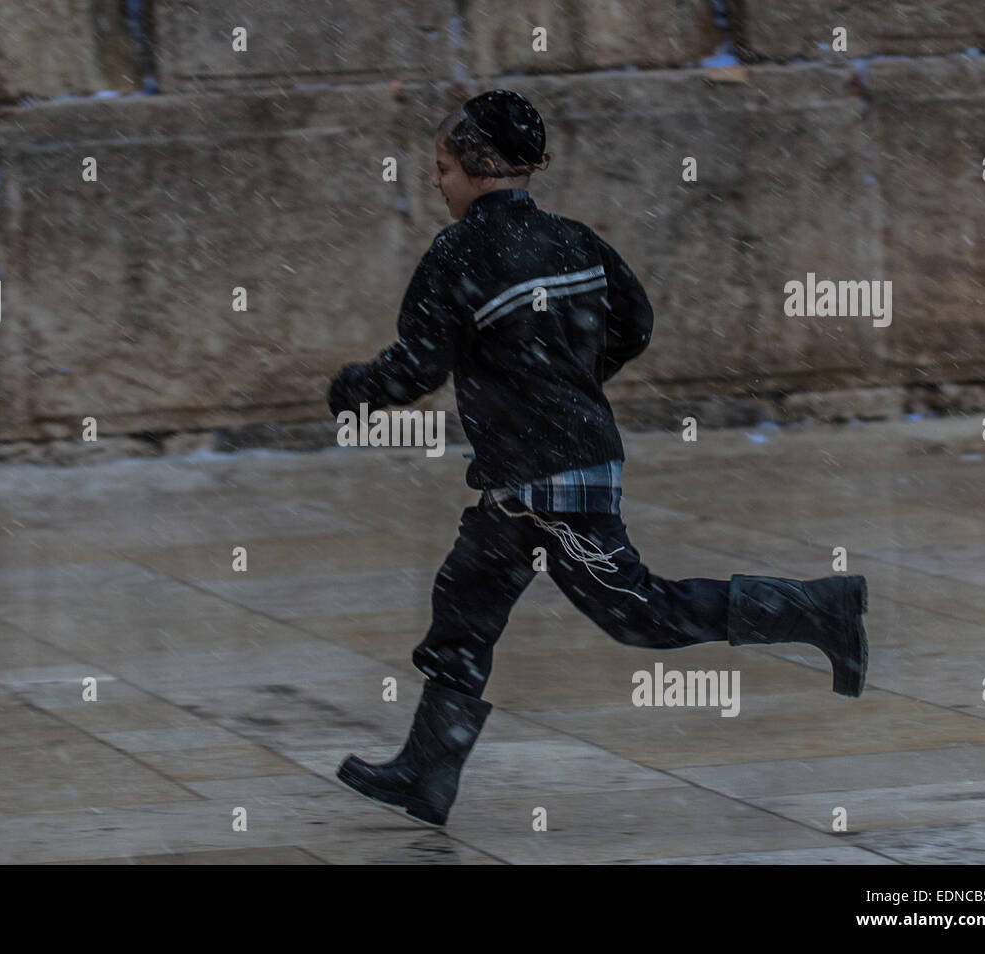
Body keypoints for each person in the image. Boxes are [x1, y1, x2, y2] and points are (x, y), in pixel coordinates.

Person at [326, 89, 868, 826]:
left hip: (552, 480)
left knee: (640, 614)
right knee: (466, 601)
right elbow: (635, 324)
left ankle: (817, 610)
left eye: (443, 166)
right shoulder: (576, 240)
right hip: (534, 475)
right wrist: (572, 379)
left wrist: (355, 389)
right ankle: (427, 771)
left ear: (480, 166)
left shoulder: (459, 254)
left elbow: (420, 364)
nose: (436, 181)